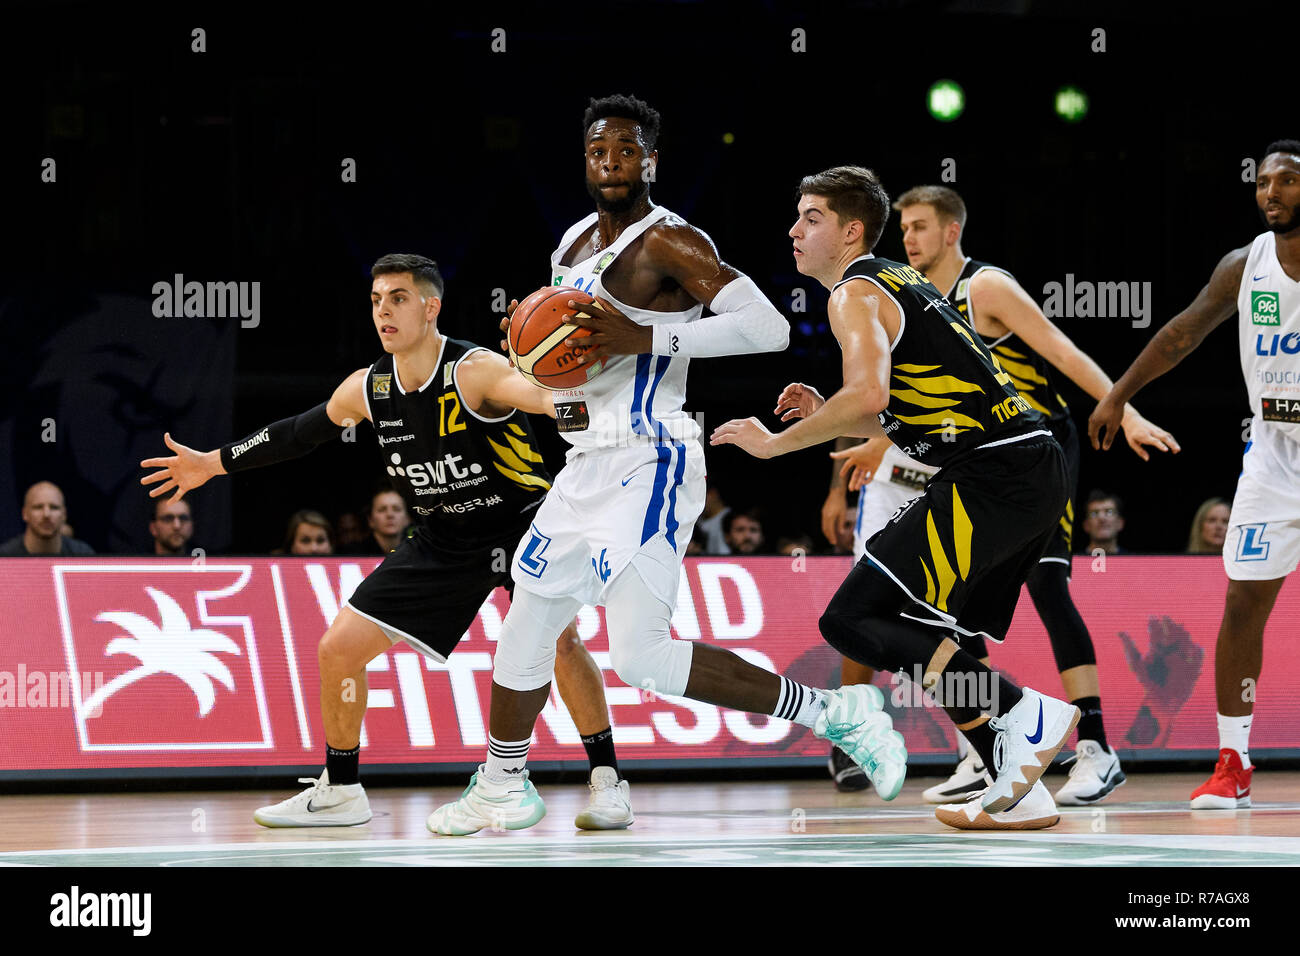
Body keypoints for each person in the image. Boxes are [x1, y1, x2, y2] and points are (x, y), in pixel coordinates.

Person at [427, 96, 905, 836]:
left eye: (626, 149)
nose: (611, 161)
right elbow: (576, 355)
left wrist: (643, 333)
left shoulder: (673, 242)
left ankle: (837, 713)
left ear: (652, 160)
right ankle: (502, 782)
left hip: (652, 455)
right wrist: (531, 350)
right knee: (526, 627)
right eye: (597, 150)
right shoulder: (572, 242)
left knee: (640, 657)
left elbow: (767, 329)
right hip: (586, 458)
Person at [141, 253, 634, 830]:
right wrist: (215, 462)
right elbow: (300, 434)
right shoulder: (369, 388)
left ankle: (607, 784)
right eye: (376, 301)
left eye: (398, 298)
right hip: (442, 537)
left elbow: (546, 398)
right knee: (338, 649)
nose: (384, 311)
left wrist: (580, 400)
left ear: (431, 307)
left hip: (524, 525)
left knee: (561, 644)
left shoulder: (473, 371)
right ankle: (342, 790)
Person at [715, 165, 1084, 831]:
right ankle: (1019, 783)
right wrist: (830, 410)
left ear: (851, 230)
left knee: (851, 618)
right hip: (1022, 468)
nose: (794, 229)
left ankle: (1028, 715)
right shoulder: (898, 279)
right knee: (920, 631)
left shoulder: (854, 293)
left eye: (812, 218)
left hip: (998, 471)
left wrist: (772, 445)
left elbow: (872, 396)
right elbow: (903, 417)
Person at [1091, 140, 1300, 809]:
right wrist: (1119, 393)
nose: (1272, 193)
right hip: (1273, 458)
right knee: (1242, 604)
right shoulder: (1246, 265)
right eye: (1264, 182)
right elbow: (1182, 333)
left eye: (1289, 182)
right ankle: (1233, 762)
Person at [0, 482, 95, 556]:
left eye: (54, 507)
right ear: (25, 514)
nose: (46, 514)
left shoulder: (82, 554)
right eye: (38, 507)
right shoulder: (5, 556)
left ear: (64, 514)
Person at [354, 487, 411, 555]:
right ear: (370, 520)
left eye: (397, 509)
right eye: (382, 510)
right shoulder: (352, 554)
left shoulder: (419, 553)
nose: (390, 515)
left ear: (408, 518)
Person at [1081, 490, 1127, 555]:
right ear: (1086, 525)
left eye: (1109, 512)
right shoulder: (1073, 562)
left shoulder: (1133, 562)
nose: (1102, 518)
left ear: (1120, 523)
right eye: (1094, 513)